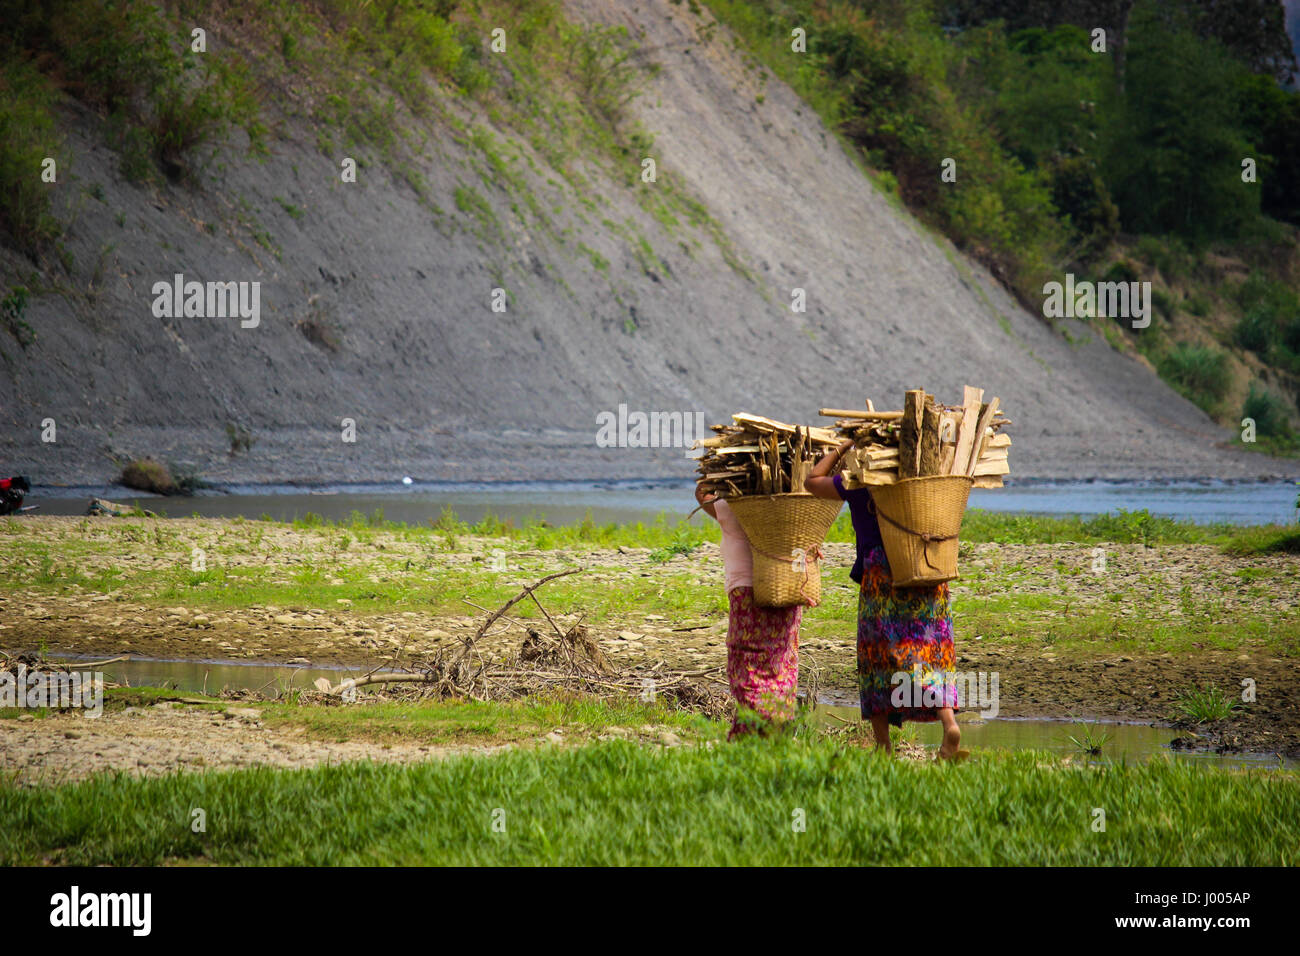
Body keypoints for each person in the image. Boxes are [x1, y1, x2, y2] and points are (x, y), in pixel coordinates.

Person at [806, 442, 965, 760]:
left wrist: (840, 450)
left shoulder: (859, 481)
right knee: (928, 655)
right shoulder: (925, 479)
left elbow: (812, 482)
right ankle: (948, 723)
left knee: (877, 657)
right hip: (925, 569)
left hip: (881, 575)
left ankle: (883, 746)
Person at [695, 483, 802, 739]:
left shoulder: (731, 506)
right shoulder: (792, 506)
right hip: (785, 585)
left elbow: (702, 494)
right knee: (781, 657)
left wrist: (711, 480)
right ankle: (777, 727)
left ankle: (751, 729)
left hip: (745, 589)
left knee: (747, 657)